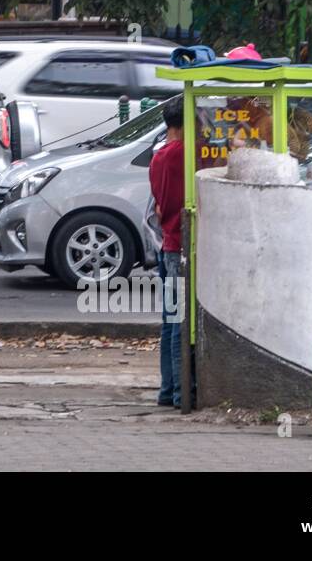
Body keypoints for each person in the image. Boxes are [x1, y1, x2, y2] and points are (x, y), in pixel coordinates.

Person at [149, 98, 186, 408]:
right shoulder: (184, 154)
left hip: (166, 244)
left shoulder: (158, 157)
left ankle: (167, 389)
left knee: (169, 319)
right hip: (178, 247)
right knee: (179, 322)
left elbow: (159, 207)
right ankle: (179, 394)